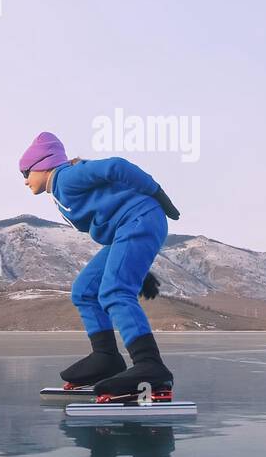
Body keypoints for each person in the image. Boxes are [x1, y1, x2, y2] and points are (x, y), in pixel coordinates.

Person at [18, 131, 181, 397]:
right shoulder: (60, 190)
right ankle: (106, 357)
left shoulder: (67, 177)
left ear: (43, 164)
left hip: (140, 219)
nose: (25, 181)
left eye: (26, 172)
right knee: (84, 290)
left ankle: (150, 366)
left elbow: (116, 167)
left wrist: (157, 193)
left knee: (115, 290)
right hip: (126, 231)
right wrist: (138, 267)